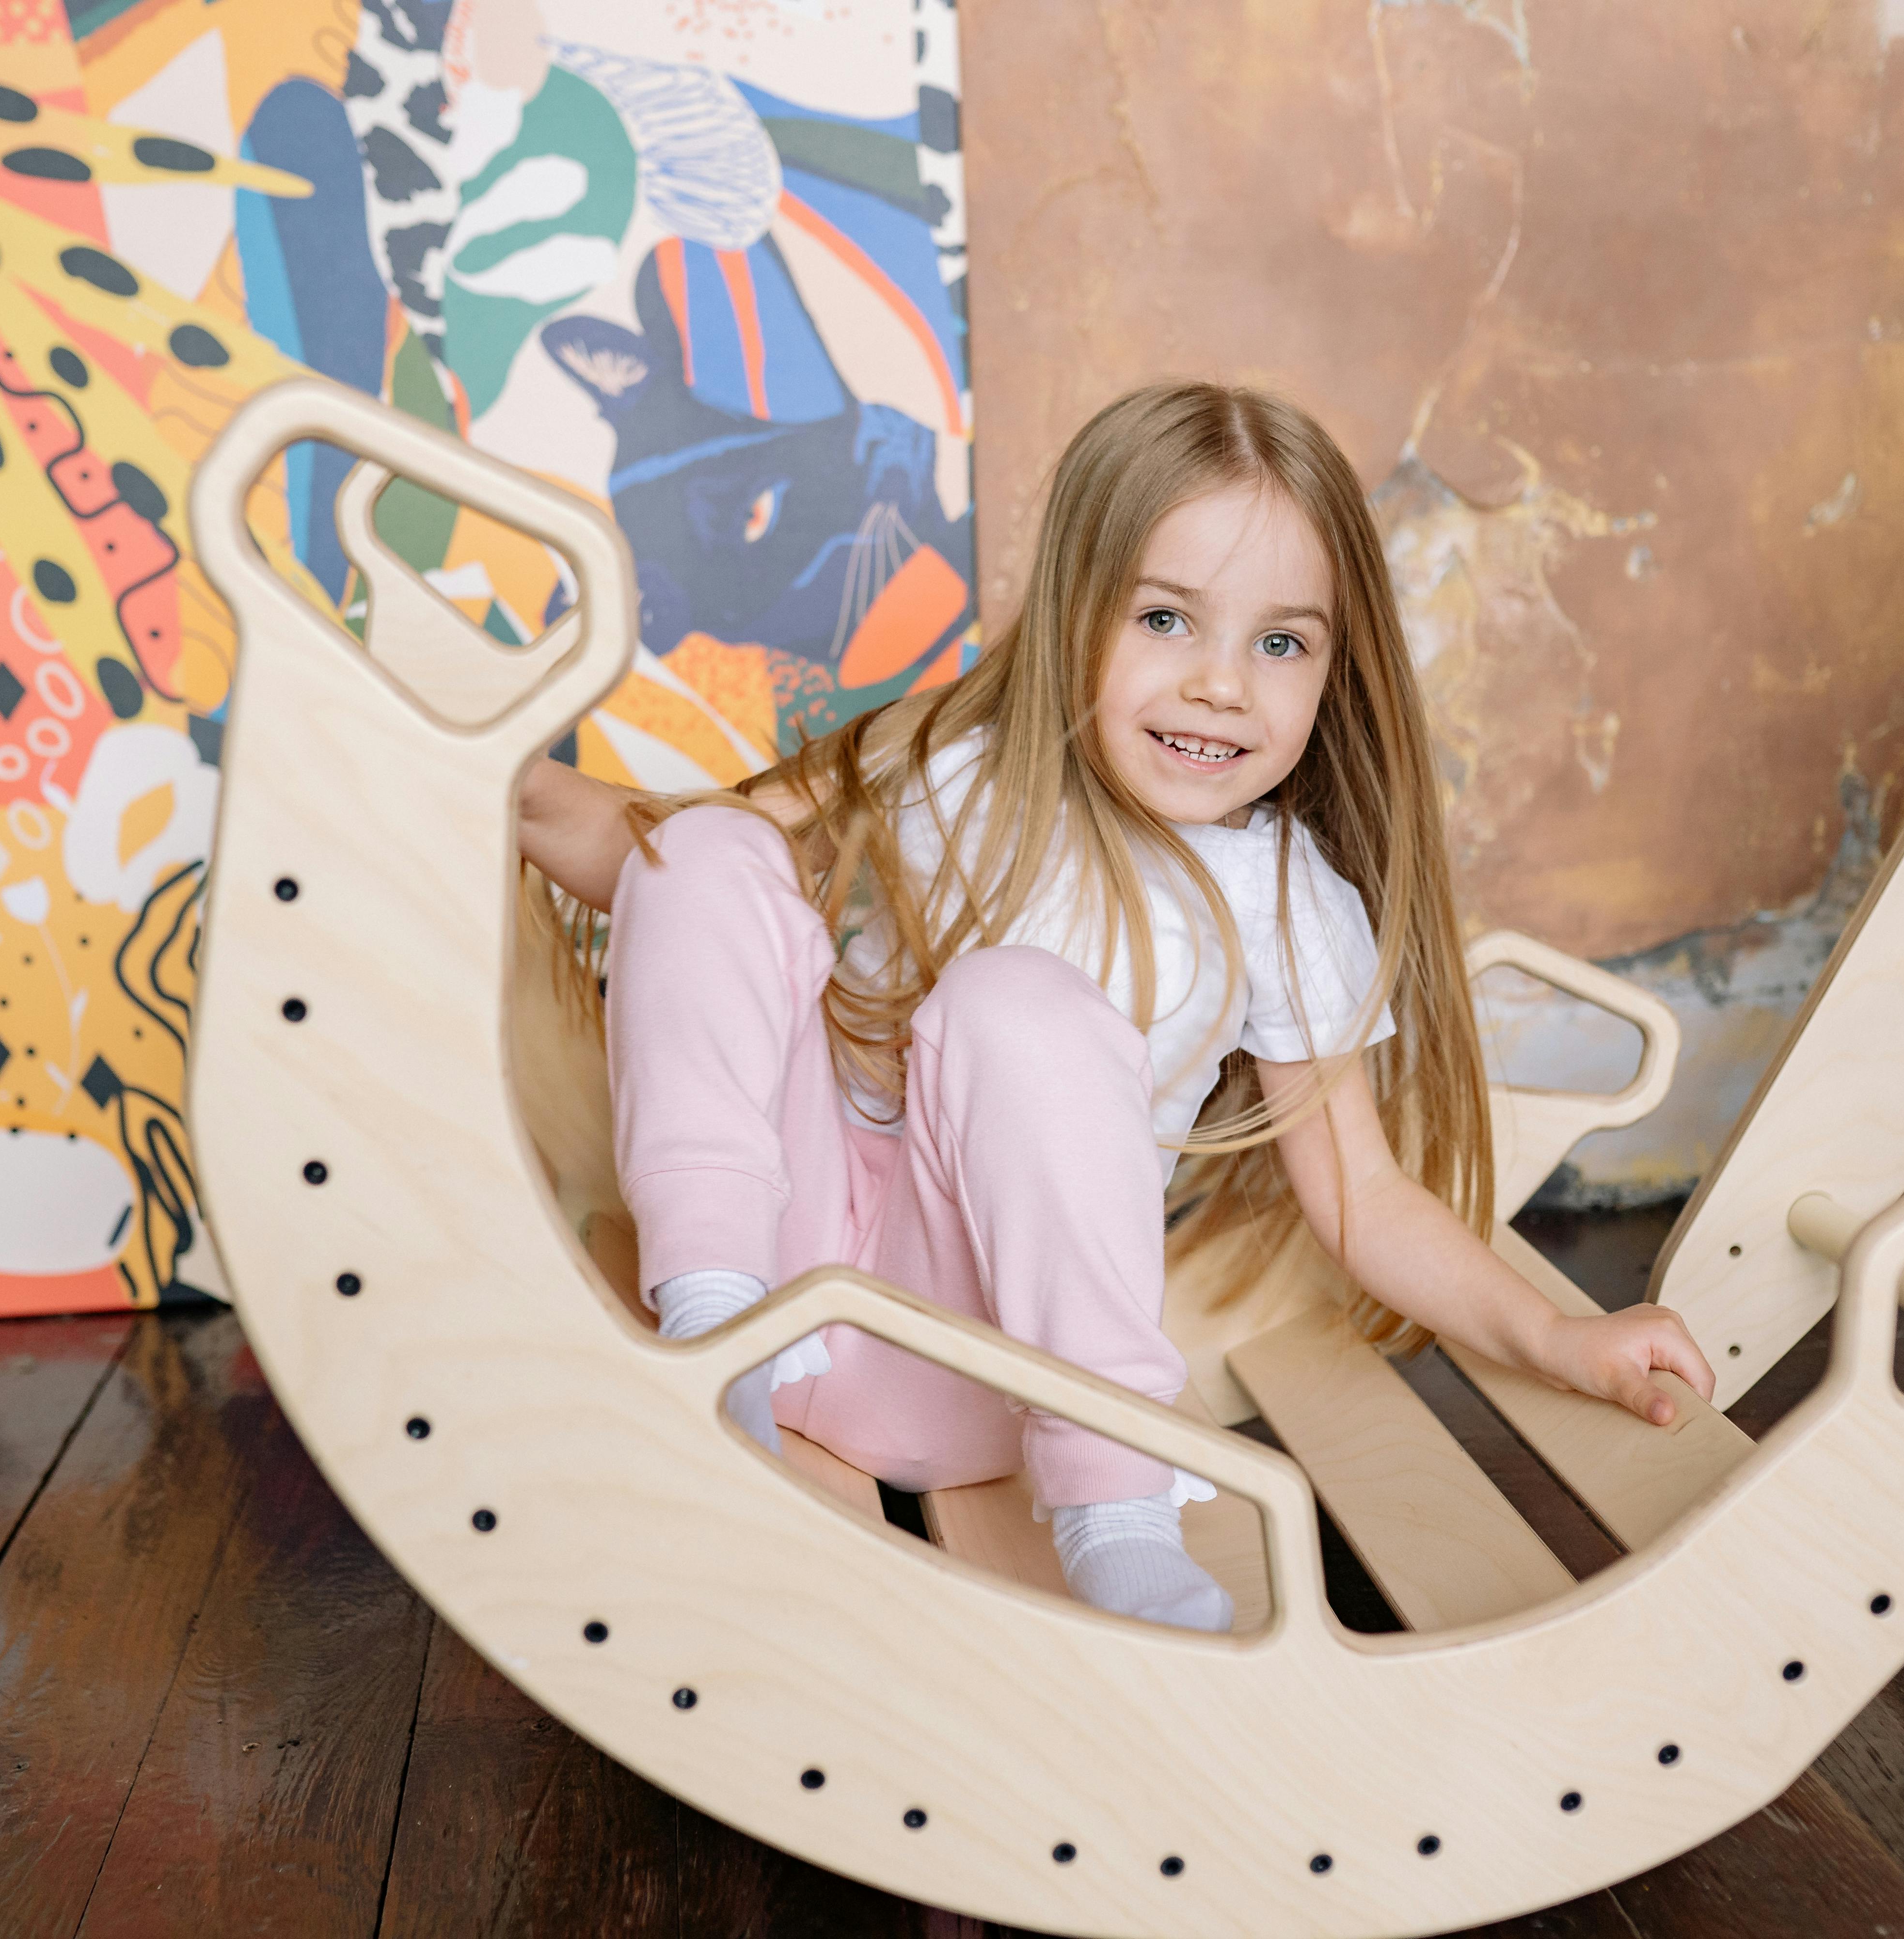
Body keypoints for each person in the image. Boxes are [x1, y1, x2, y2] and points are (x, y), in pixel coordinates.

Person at [515, 381, 1712, 1633]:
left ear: (1333, 668)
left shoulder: (1283, 899)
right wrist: (493, 783)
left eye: (1282, 644)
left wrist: (1559, 1337)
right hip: (774, 1254)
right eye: (1167, 620)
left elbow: (1365, 1199)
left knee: (1013, 1005)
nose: (1222, 687)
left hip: (977, 1363)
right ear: (1078, 614)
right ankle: (715, 1342)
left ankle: (1119, 1520)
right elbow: (652, 866)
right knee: (709, 849)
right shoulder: (947, 753)